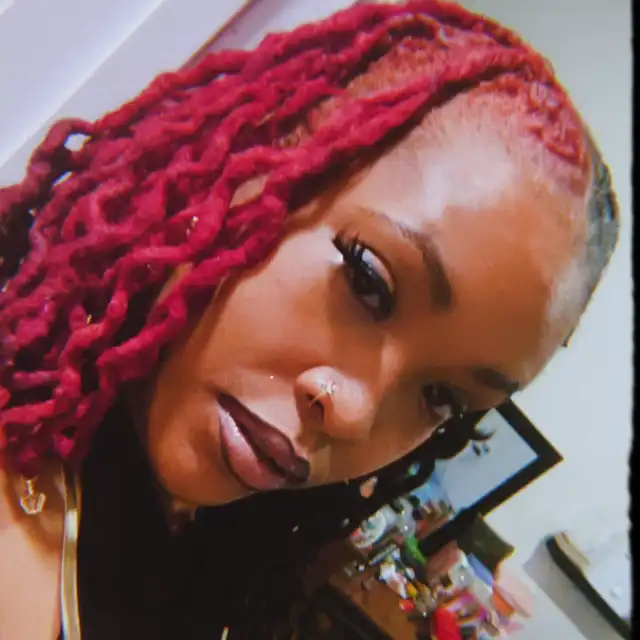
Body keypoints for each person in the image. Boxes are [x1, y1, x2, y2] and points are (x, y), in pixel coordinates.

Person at [0, 1, 619, 638]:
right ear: (255, 162)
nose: (353, 415)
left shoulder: (216, 555)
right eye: (369, 283)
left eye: (441, 397)